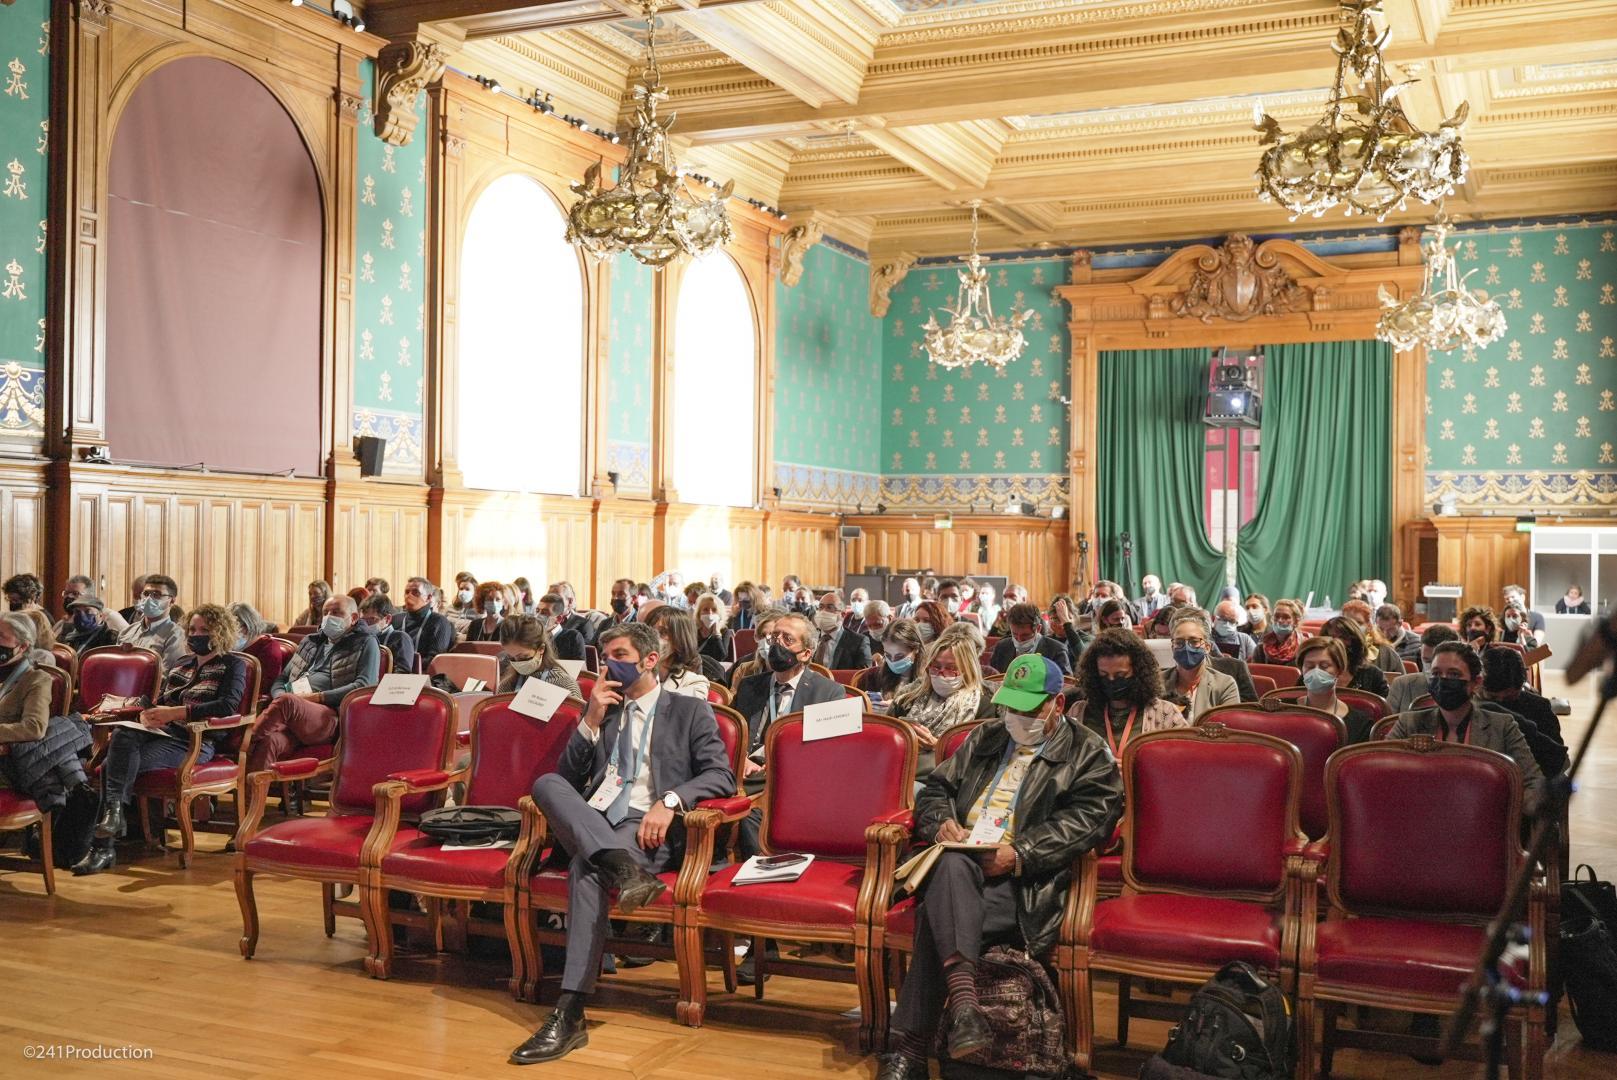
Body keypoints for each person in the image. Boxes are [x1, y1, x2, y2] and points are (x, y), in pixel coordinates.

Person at [874, 652, 1123, 1080]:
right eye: (1009, 706)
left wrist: (1020, 853)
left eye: (1027, 710)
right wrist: (941, 824)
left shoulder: (1087, 752)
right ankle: (965, 1008)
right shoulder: (987, 737)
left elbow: (1092, 820)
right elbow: (936, 789)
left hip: (1025, 882)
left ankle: (911, 1049)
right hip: (961, 861)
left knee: (940, 912)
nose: (1014, 717)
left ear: (1056, 705)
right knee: (952, 869)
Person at [509, 623, 733, 1066]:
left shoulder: (690, 710)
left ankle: (569, 1011)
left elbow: (720, 775)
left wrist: (670, 801)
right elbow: (569, 780)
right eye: (605, 655)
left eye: (620, 654)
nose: (610, 664)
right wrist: (590, 721)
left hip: (646, 827)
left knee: (585, 869)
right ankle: (621, 868)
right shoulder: (603, 710)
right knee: (547, 782)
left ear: (649, 660)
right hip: (596, 819)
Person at [72, 604, 248, 875]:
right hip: (160, 733)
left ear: (220, 631)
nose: (195, 635)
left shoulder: (233, 664)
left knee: (109, 768)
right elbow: (162, 701)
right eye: (192, 629)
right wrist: (145, 711)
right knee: (123, 731)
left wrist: (177, 712)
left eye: (204, 630)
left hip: (194, 741)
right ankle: (112, 822)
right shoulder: (182, 664)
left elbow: (228, 705)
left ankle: (103, 847)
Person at [729, 612, 844, 861]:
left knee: (751, 813)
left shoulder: (828, 692)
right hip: (746, 772)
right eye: (774, 637)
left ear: (805, 653)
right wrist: (742, 758)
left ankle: (766, 868)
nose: (777, 644)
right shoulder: (750, 686)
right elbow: (735, 735)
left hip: (793, 776)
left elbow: (828, 754)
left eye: (787, 639)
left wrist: (782, 763)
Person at [1389, 642, 1545, 811]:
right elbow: (1381, 776)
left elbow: (1534, 783)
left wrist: (1509, 808)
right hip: (1418, 817)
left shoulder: (1502, 726)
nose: (1443, 681)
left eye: (1454, 674)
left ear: (1476, 682)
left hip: (1482, 819)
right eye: (1436, 673)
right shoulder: (1408, 723)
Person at [247, 595, 380, 781]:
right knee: (270, 742)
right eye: (325, 612)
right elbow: (282, 678)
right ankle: (251, 806)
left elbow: (365, 686)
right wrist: (279, 695)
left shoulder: (366, 642)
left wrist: (316, 698)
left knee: (288, 702)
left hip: (328, 717)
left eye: (336, 612)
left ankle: (244, 743)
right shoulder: (310, 641)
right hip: (291, 711)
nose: (328, 617)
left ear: (354, 618)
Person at [889, 629, 998, 773]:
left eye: (951, 668)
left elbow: (979, 760)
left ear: (968, 669)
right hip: (898, 767)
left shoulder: (983, 705)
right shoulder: (909, 698)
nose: (941, 674)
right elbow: (887, 740)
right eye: (935, 667)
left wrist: (938, 746)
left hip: (941, 778)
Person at [1073, 628, 1187, 750]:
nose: (1111, 680)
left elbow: (1185, 761)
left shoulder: (1166, 714)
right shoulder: (1079, 712)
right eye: (1104, 675)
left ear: (1139, 672)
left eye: (1120, 675)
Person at [1480, 645, 1566, 777]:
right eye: (1492, 697)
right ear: (1477, 683)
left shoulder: (1538, 708)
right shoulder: (1465, 706)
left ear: (1522, 687)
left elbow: (1557, 760)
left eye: (1509, 698)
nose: (1501, 702)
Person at [1162, 610, 1239, 721]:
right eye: (1179, 642)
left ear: (1207, 647)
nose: (1186, 647)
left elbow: (1228, 729)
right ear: (1172, 647)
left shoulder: (1224, 685)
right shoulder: (1157, 682)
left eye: (1194, 642)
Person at [1295, 637, 1375, 744]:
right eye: (1310, 666)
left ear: (1339, 670)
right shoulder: (1282, 710)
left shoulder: (1360, 723)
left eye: (1324, 666)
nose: (1316, 671)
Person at [495, 615, 579, 698]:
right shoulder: (506, 686)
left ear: (541, 649)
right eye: (511, 657)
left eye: (524, 656)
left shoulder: (565, 685)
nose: (518, 663)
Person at [1386, 624, 1461, 713]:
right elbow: (1387, 725)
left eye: (1438, 663)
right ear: (1420, 653)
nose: (1432, 669)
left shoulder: (1467, 688)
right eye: (1427, 661)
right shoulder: (1402, 685)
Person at [117, 574, 186, 668]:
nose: (149, 599)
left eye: (156, 594)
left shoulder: (175, 635)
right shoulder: (127, 632)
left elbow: (166, 676)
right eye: (146, 594)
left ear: (171, 601)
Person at [988, 602, 1071, 675]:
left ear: (1038, 628)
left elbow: (1066, 684)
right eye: (1015, 634)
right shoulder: (1001, 647)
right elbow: (992, 678)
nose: (1019, 640)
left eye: (1025, 636)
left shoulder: (1056, 650)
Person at [1318, 616, 1388, 696]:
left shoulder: (1373, 675)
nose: (1337, 643)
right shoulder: (1313, 672)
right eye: (1332, 638)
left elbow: (1383, 707)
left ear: (1356, 641)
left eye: (1343, 638)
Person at [860, 619, 927, 700]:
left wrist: (893, 709)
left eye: (900, 656)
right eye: (888, 655)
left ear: (916, 649)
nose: (893, 661)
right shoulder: (871, 677)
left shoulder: (928, 681)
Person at [396, 577, 454, 670]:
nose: (409, 596)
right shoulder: (396, 619)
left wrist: (404, 664)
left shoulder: (439, 622)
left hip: (422, 674)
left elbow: (434, 659)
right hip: (394, 672)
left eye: (415, 593)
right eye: (407, 592)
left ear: (428, 598)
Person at [650, 611, 711, 699]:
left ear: (680, 641)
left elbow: (681, 709)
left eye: (662, 632)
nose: (652, 637)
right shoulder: (635, 673)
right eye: (651, 631)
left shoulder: (695, 683)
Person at [813, 591, 873, 671]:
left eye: (830, 608)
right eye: (820, 607)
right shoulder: (810, 637)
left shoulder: (858, 642)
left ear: (843, 615)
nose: (823, 611)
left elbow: (863, 677)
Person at [54, 574, 128, 636]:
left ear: (89, 596)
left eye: (75, 593)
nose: (69, 597)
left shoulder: (109, 616)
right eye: (66, 593)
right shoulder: (62, 622)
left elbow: (130, 640)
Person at [359, 593, 415, 674]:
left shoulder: (400, 638)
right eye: (364, 620)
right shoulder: (360, 639)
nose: (367, 625)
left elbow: (401, 673)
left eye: (372, 620)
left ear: (388, 619)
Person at [1252, 598, 1304, 665]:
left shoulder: (1304, 648)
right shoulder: (1260, 649)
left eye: (1286, 617)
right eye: (1276, 616)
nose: (1280, 620)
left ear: (1296, 621)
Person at [1045, 594, 1092, 668]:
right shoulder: (1046, 641)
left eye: (1067, 617)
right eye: (1056, 619)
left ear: (1076, 618)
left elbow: (1084, 659)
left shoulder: (1086, 638)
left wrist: (1067, 623)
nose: (1061, 624)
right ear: (1049, 620)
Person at [693, 592, 734, 665]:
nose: (710, 613)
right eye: (705, 609)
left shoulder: (724, 631)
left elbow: (721, 657)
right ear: (699, 614)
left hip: (714, 670)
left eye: (714, 610)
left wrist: (717, 634)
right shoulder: (693, 631)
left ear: (719, 613)